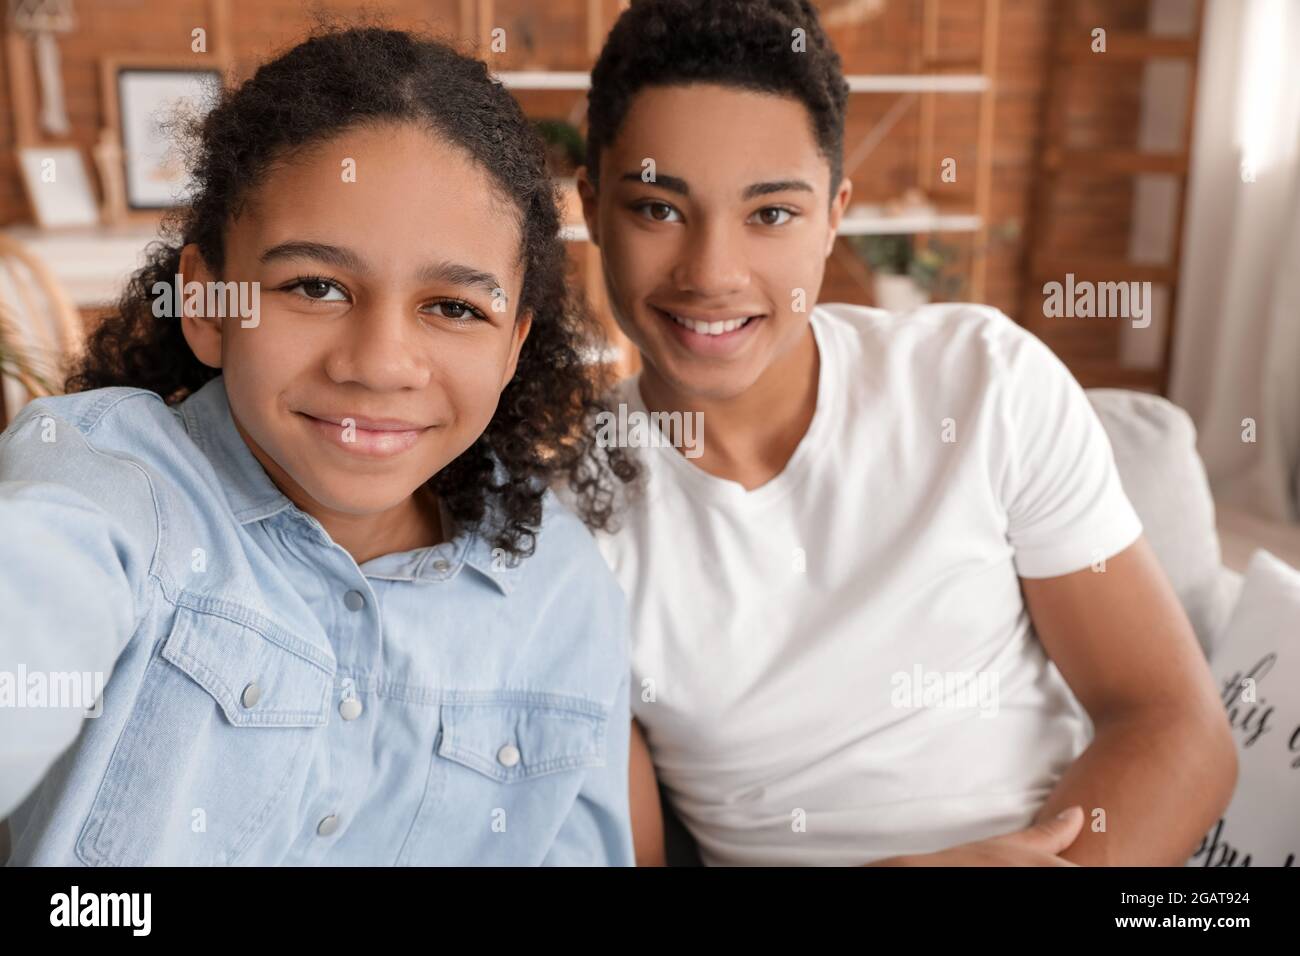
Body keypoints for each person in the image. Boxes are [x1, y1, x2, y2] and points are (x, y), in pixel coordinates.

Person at [576, 0, 1236, 866]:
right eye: (658, 209)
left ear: (834, 215)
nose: (712, 274)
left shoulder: (985, 381)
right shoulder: (566, 517)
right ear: (591, 210)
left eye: (770, 213)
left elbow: (1171, 722)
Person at [0, 26, 638, 866]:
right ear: (207, 302)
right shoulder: (107, 489)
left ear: (512, 345)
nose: (378, 365)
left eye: (453, 307)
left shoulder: (561, 586)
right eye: (315, 287)